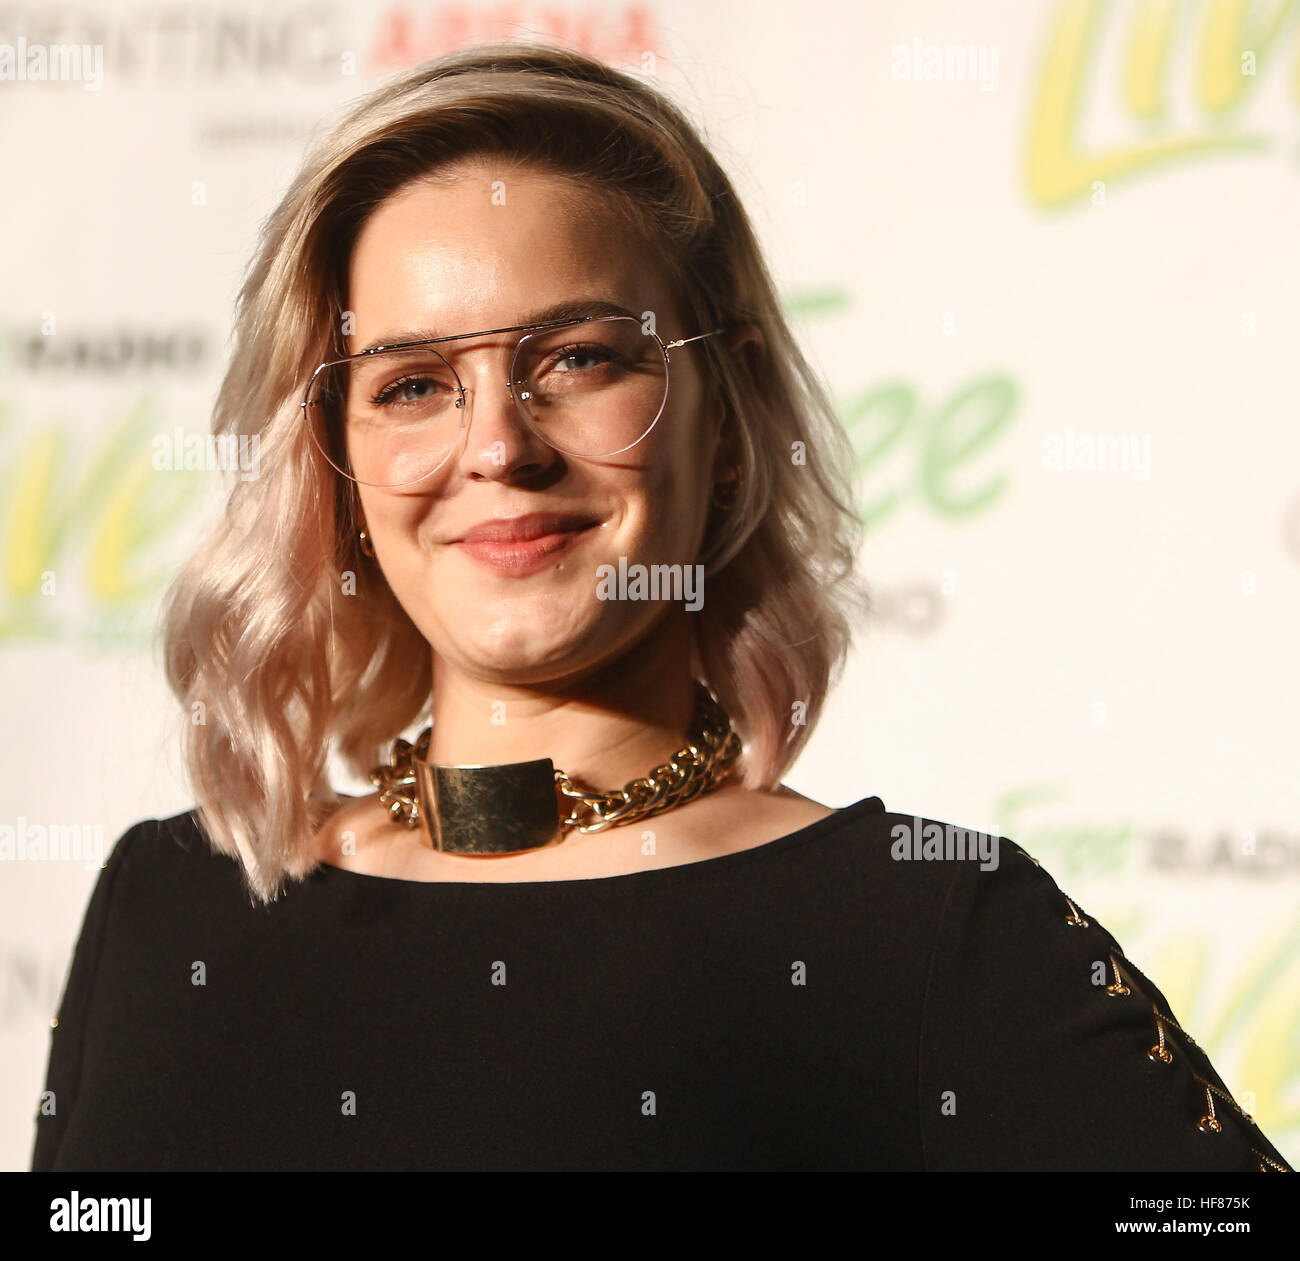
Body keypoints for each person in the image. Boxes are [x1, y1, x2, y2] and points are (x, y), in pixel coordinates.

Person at [31, 43, 1292, 1173]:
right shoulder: (166, 904)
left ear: (729, 417)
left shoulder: (921, 932)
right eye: (413, 385)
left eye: (577, 360)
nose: (498, 450)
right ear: (335, 456)